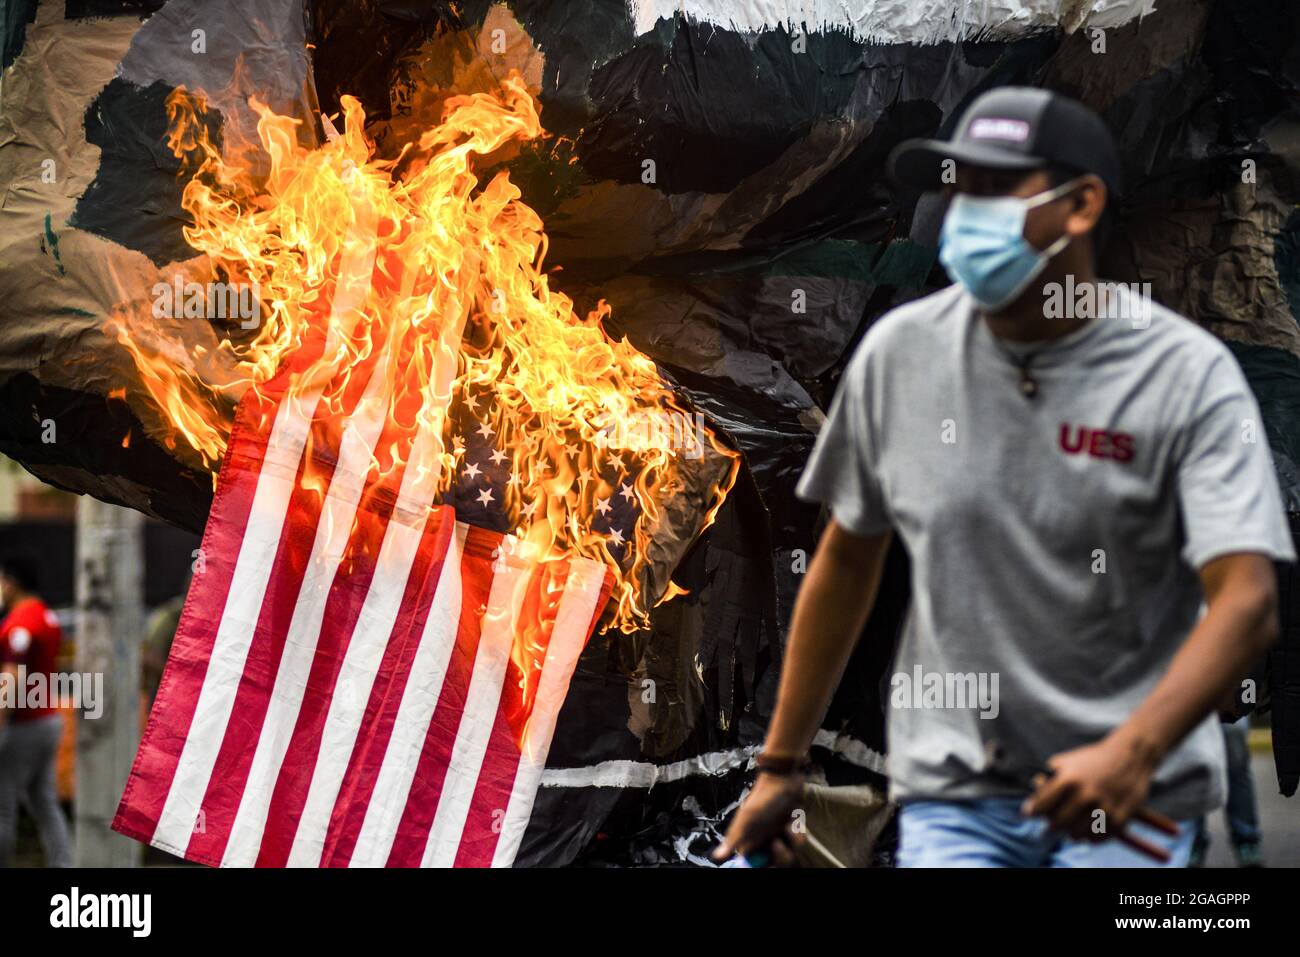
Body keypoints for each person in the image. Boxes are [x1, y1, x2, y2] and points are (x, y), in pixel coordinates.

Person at [714, 87, 1294, 868]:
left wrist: (1134, 751)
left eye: (992, 188)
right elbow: (845, 562)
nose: (963, 214)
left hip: (1126, 803)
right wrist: (779, 767)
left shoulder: (1184, 375)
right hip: (959, 804)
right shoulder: (901, 355)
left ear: (1082, 204)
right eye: (954, 189)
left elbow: (1247, 600)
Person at [0, 554, 73, 867]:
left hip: (24, 725)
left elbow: (11, 677)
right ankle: (64, 864)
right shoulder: (46, 615)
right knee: (43, 800)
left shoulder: (21, 622)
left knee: (3, 805)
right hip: (48, 719)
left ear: (11, 583)